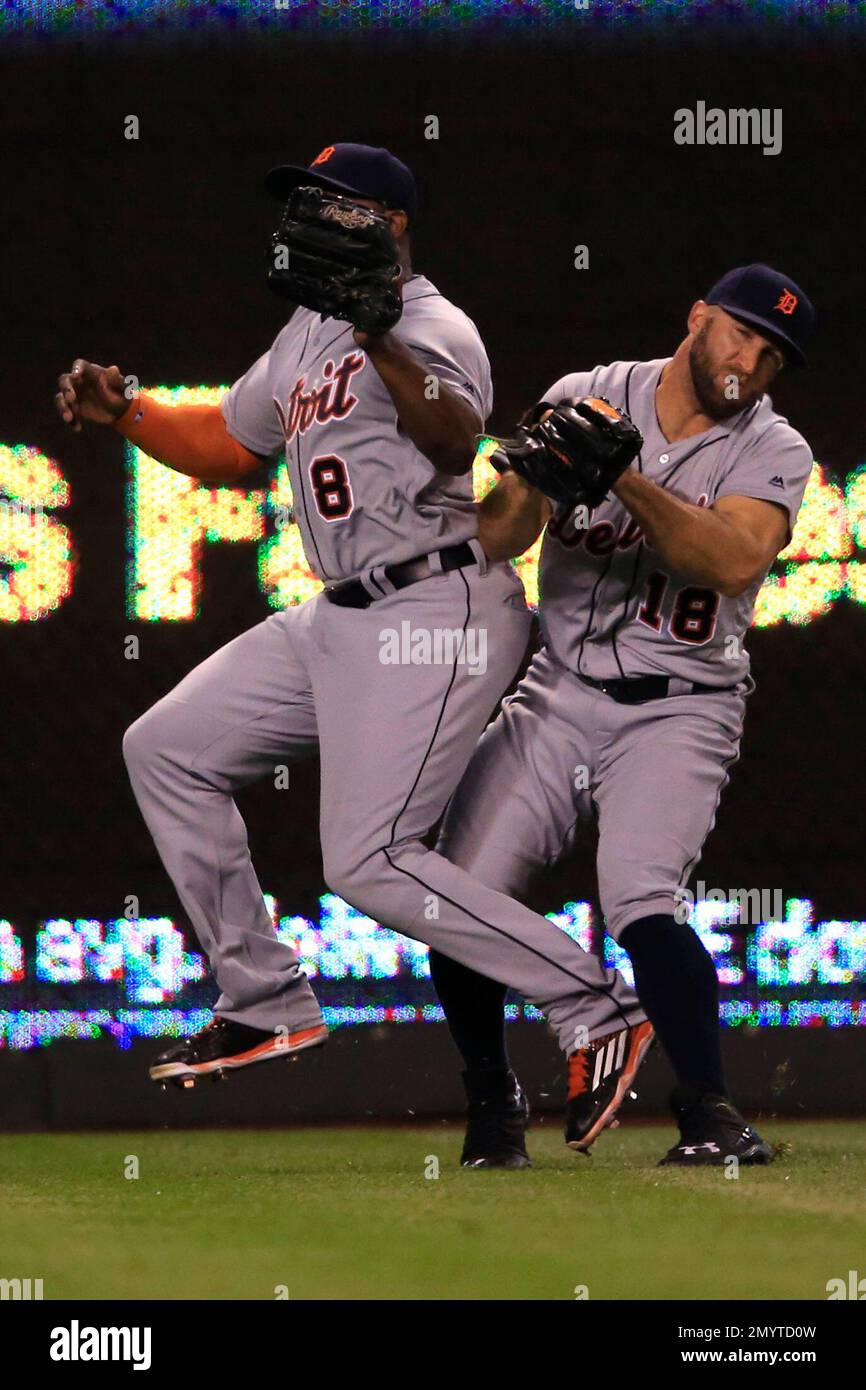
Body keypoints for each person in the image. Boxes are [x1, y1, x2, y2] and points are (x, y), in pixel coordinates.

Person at [55, 142, 651, 1154]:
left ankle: (595, 1007)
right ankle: (263, 997)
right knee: (166, 748)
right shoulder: (303, 331)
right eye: (305, 201)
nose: (311, 218)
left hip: (434, 603)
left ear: (392, 225)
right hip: (335, 614)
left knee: (370, 861)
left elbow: (453, 435)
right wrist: (130, 413)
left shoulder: (431, 323)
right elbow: (229, 444)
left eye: (334, 204)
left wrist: (379, 335)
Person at [434, 263, 816, 1166]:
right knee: (454, 896)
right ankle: (493, 1102)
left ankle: (710, 1113)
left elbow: (730, 562)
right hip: (558, 691)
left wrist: (624, 478)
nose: (749, 362)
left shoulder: (775, 448)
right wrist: (525, 474)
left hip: (680, 707)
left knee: (642, 901)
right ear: (698, 318)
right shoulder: (589, 391)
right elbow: (504, 534)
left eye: (772, 354)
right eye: (741, 333)